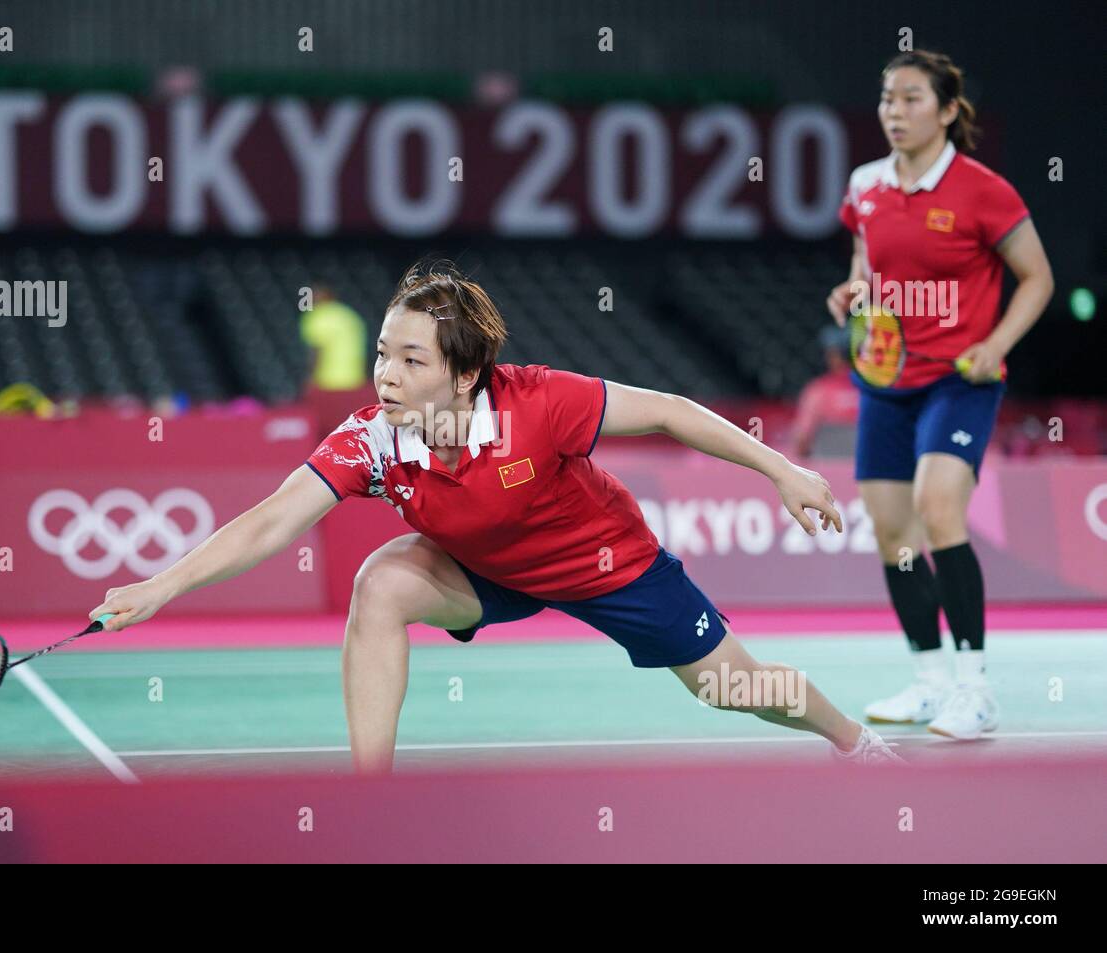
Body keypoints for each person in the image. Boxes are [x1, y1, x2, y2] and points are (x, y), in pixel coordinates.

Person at [92, 262, 902, 773]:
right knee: (380, 585)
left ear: (466, 374)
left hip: (608, 565)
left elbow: (668, 410)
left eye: (411, 359)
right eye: (383, 353)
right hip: (489, 571)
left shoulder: (538, 402)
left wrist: (781, 468)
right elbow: (273, 520)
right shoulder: (373, 440)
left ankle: (853, 740)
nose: (386, 375)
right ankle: (366, 800)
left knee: (735, 688)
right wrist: (161, 585)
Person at [826, 51, 1054, 739]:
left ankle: (974, 688)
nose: (894, 112)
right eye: (886, 98)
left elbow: (1038, 277)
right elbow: (867, 258)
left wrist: (997, 344)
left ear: (949, 110)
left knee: (937, 506)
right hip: (886, 377)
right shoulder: (865, 184)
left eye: (911, 99)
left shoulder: (985, 191)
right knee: (892, 531)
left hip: (961, 379)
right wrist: (855, 289)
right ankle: (928, 681)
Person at [791, 325, 859, 458]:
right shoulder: (875, 392)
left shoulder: (818, 391)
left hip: (825, 466)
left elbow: (802, 440)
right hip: (863, 467)